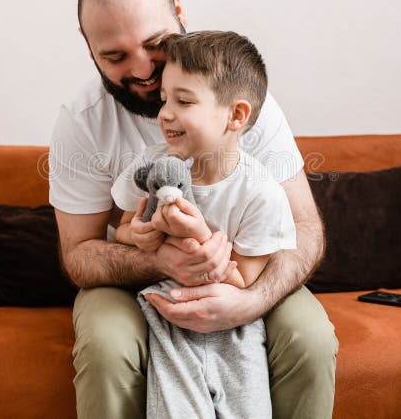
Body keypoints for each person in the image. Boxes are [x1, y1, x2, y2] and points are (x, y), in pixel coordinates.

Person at [49, 0, 338, 419]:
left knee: (311, 338)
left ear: (178, 10)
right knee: (107, 348)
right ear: (88, 48)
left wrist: (248, 301)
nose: (145, 71)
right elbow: (79, 255)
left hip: (246, 270)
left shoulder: (233, 101)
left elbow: (304, 227)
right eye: (115, 56)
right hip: (131, 281)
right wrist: (156, 258)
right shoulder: (83, 121)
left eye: (154, 44)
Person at [111, 30, 296, 418]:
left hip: (234, 329)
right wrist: (139, 236)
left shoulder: (260, 193)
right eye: (164, 99)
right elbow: (126, 227)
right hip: (168, 320)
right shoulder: (152, 165)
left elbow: (244, 281)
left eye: (183, 101)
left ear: (236, 115)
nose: (164, 114)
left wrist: (196, 235)